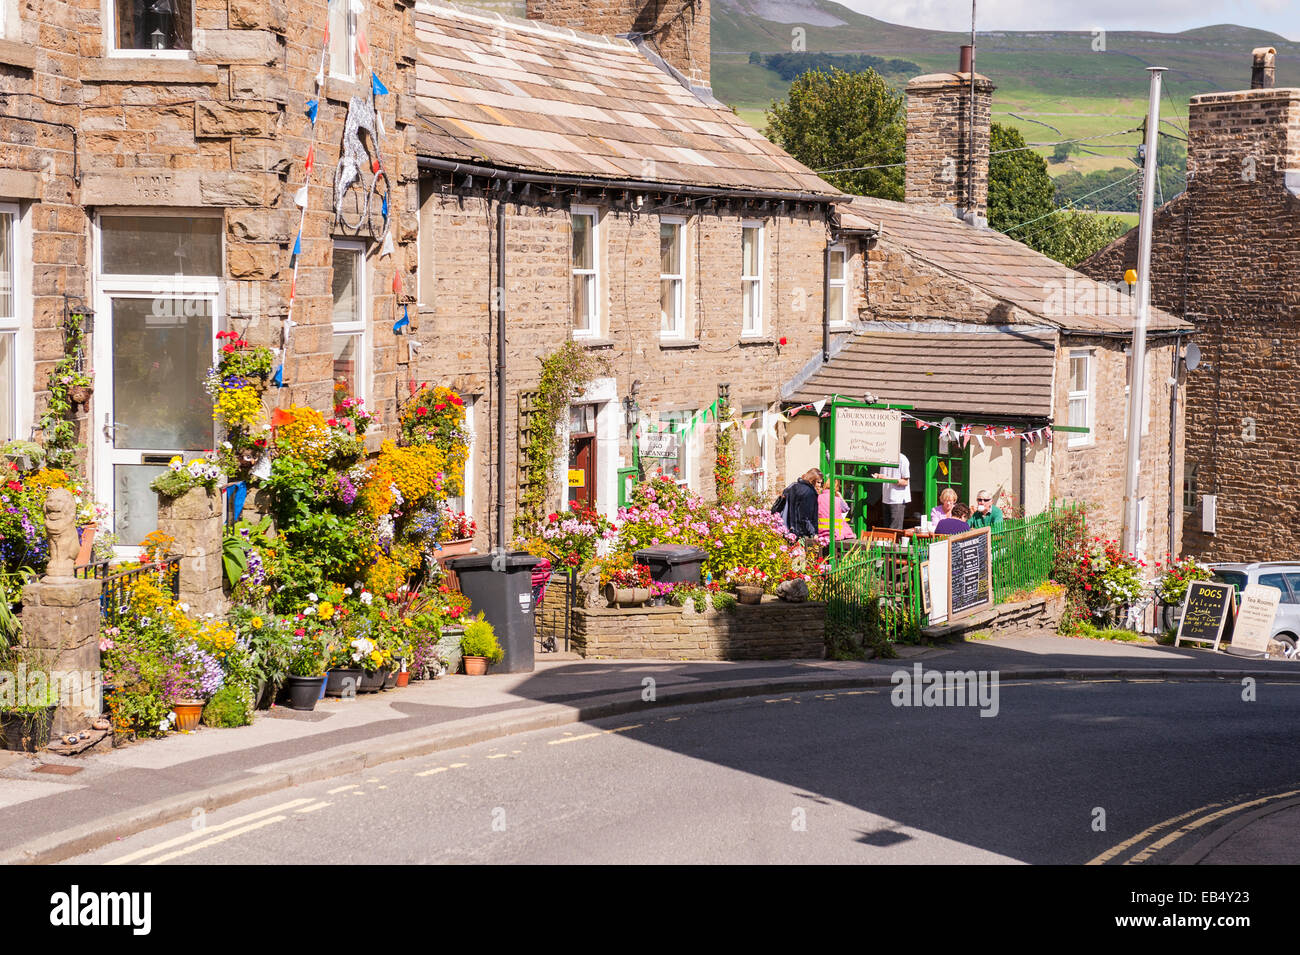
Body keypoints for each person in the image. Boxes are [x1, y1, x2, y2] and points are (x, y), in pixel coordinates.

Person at [775, 468, 822, 540]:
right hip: (799, 533)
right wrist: (813, 533)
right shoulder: (809, 493)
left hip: (785, 529)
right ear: (812, 480)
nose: (820, 485)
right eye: (818, 482)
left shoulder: (792, 486)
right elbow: (805, 517)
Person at [874, 453, 910, 530]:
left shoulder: (902, 459)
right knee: (887, 529)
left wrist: (885, 478)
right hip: (886, 498)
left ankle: (893, 542)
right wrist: (879, 476)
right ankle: (887, 542)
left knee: (895, 530)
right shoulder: (884, 458)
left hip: (898, 499)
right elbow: (883, 476)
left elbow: (905, 481)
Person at [817, 481, 856, 545]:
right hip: (836, 531)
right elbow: (846, 509)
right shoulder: (837, 499)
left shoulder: (818, 498)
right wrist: (840, 496)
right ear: (836, 488)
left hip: (821, 530)